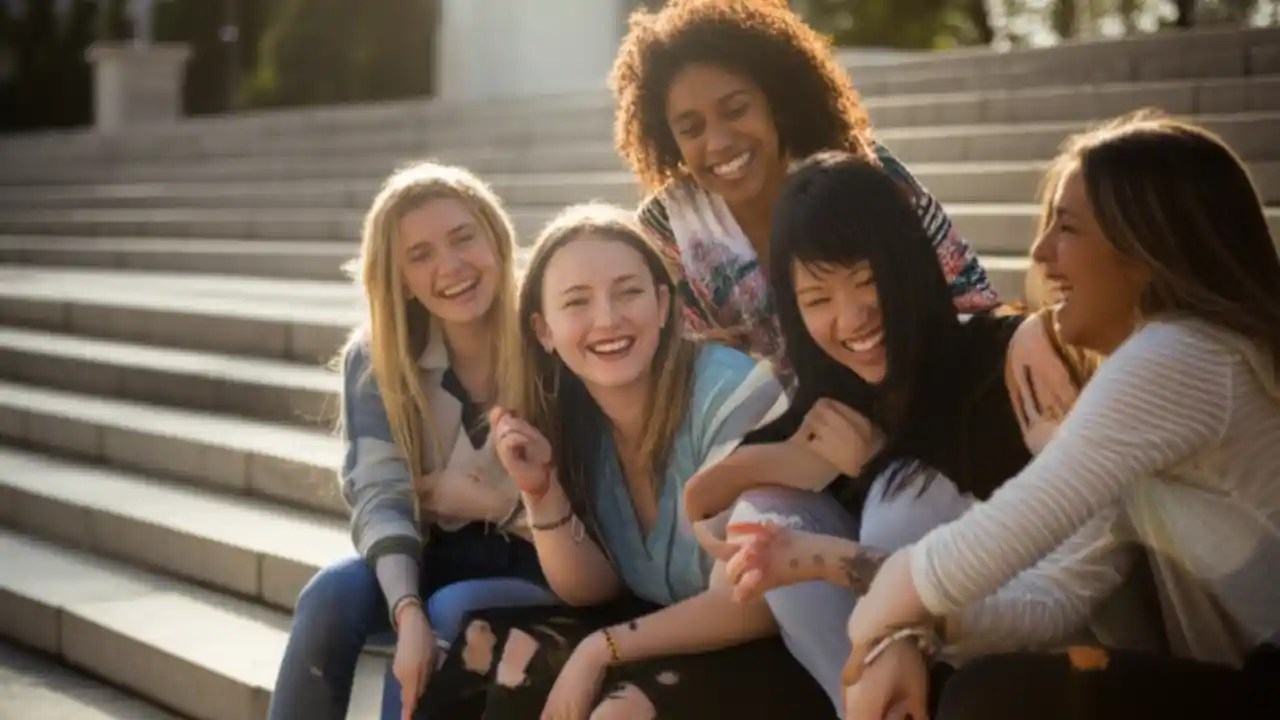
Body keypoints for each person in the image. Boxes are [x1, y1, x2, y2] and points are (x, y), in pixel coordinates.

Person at [843, 112, 1280, 719]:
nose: (1042, 252)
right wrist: (916, 630)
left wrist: (879, 614)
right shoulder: (1152, 389)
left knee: (991, 699)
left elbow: (1000, 536)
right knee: (973, 684)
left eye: (1067, 228)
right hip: (1234, 681)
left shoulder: (1186, 355)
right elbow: (1055, 596)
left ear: (1145, 249)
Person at [680, 151, 1144, 716]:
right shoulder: (837, 393)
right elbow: (705, 508)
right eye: (818, 299)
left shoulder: (1006, 360)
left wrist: (878, 465)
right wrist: (790, 462)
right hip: (904, 666)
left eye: (867, 281)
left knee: (899, 494)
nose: (851, 320)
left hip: (1037, 656)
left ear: (909, 264)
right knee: (768, 509)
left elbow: (1066, 574)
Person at [417, 204, 830, 719]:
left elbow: (755, 600)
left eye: (628, 292)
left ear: (662, 305)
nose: (607, 319)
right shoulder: (573, 415)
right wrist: (541, 492)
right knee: (491, 651)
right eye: (577, 302)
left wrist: (600, 649)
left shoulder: (730, 392)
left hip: (776, 646)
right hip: (661, 626)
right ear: (544, 331)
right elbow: (594, 589)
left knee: (620, 713)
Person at [269, 162, 557, 720]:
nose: (450, 266)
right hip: (434, 554)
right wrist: (406, 611)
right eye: (420, 255)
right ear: (399, 277)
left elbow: (590, 510)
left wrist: (493, 506)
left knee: (452, 607)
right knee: (331, 594)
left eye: (462, 238)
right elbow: (381, 493)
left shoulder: (548, 336)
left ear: (496, 238)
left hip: (543, 560)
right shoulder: (377, 357)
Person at [611, 0, 1000, 373]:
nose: (718, 143)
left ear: (775, 102)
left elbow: (970, 298)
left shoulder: (860, 168)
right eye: (691, 129)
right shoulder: (667, 227)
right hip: (763, 430)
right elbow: (678, 369)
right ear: (667, 139)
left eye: (736, 110)